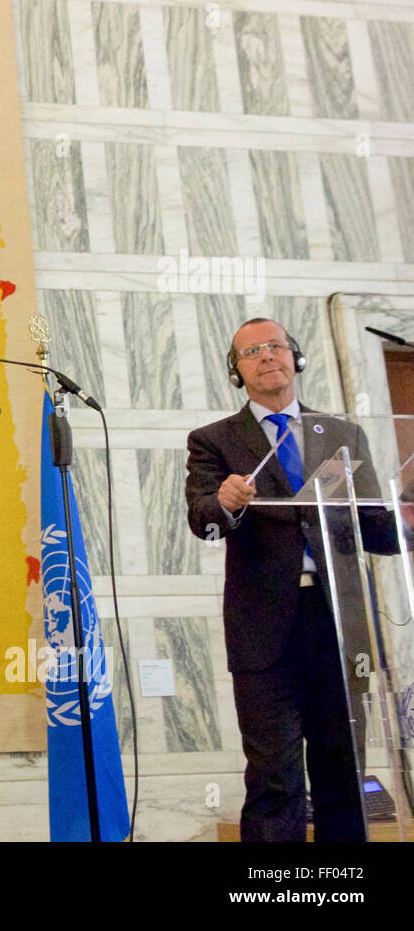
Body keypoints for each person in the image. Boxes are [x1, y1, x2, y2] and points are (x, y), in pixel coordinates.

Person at [185, 316, 391, 841]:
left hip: (339, 618)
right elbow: (203, 521)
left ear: (294, 357)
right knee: (275, 775)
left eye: (275, 346)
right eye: (251, 351)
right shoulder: (214, 440)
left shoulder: (341, 433)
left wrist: (405, 519)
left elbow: (374, 527)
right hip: (263, 628)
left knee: (343, 768)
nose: (266, 356)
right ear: (237, 373)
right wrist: (224, 504)